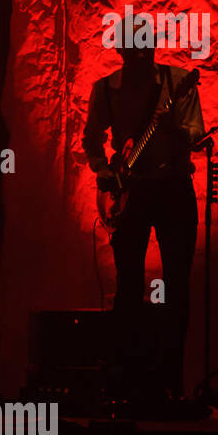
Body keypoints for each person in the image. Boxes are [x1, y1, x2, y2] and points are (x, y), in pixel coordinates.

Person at [81, 43, 204, 402]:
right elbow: (92, 140)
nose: (139, 60)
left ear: (152, 50)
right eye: (131, 54)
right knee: (129, 285)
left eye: (144, 53)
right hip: (129, 192)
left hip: (173, 189)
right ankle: (128, 382)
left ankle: (171, 383)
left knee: (177, 287)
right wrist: (104, 171)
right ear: (121, 52)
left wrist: (174, 129)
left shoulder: (179, 82)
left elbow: (197, 134)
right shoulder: (105, 89)